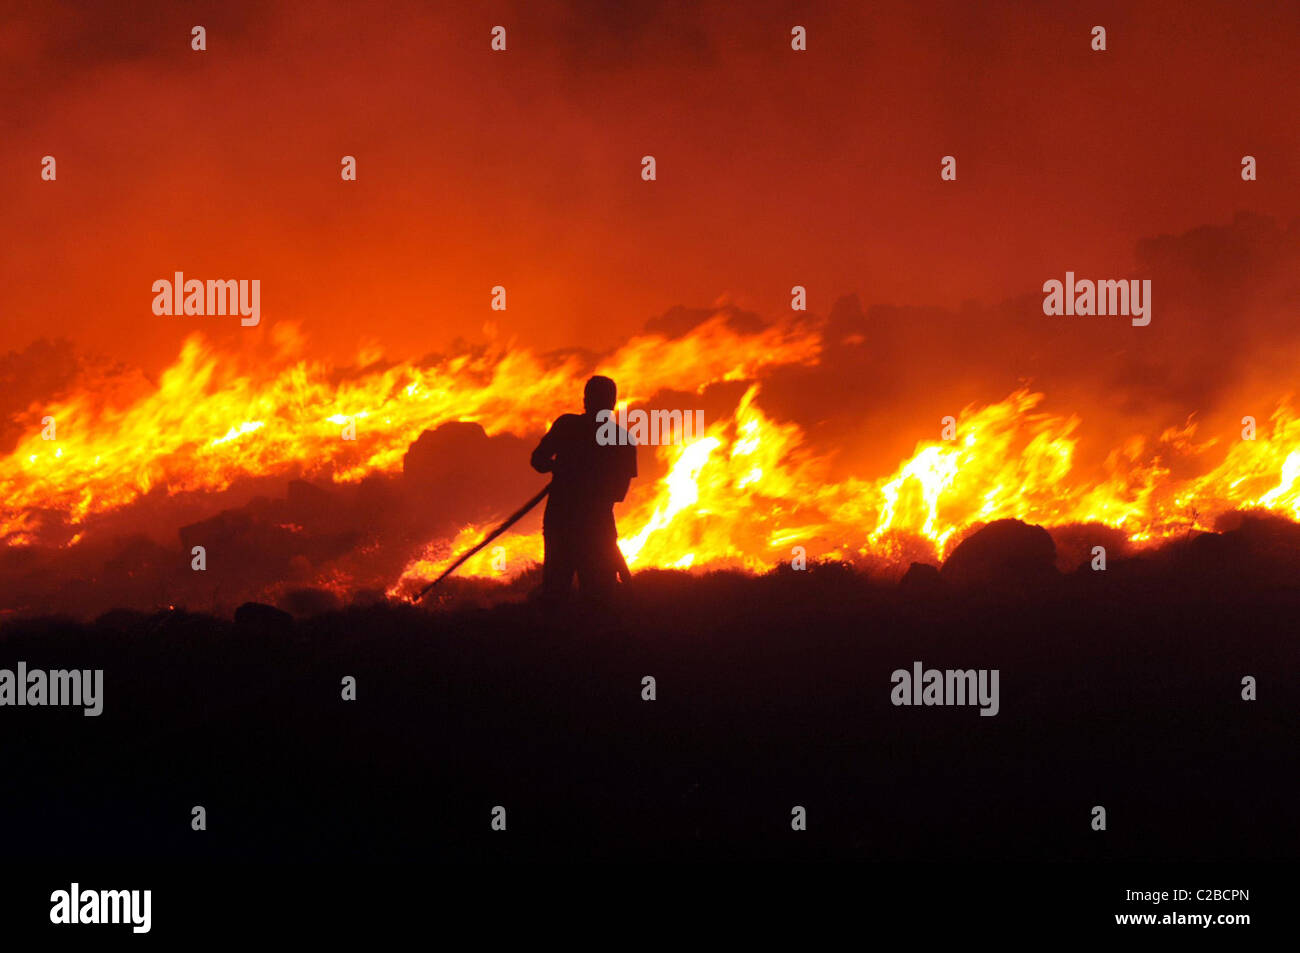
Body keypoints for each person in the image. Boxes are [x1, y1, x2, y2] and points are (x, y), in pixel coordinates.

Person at [530, 375, 637, 601]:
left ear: (585, 400)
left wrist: (562, 470)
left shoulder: (568, 426)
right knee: (596, 598)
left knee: (558, 594)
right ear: (613, 403)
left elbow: (538, 460)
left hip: (565, 523)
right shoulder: (622, 440)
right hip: (592, 528)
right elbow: (619, 494)